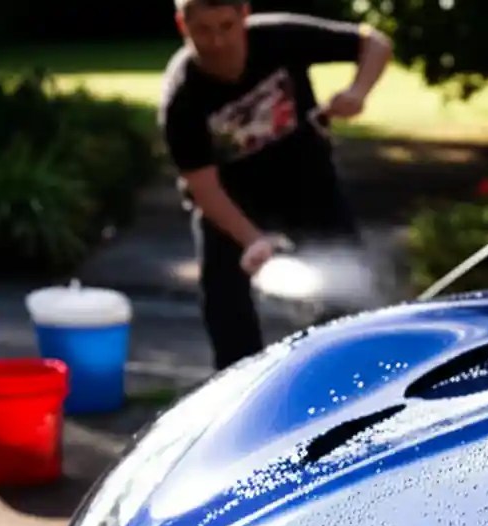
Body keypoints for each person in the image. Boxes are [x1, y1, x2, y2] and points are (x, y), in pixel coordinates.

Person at [158, 0, 392, 370]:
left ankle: (347, 372)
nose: (217, 41)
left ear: (244, 15)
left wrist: (358, 92)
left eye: (226, 26)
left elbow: (374, 42)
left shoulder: (280, 37)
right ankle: (238, 391)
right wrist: (252, 239)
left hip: (308, 182)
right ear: (181, 25)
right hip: (231, 202)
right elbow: (203, 187)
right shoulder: (181, 97)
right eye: (203, 30)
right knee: (226, 308)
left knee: (350, 297)